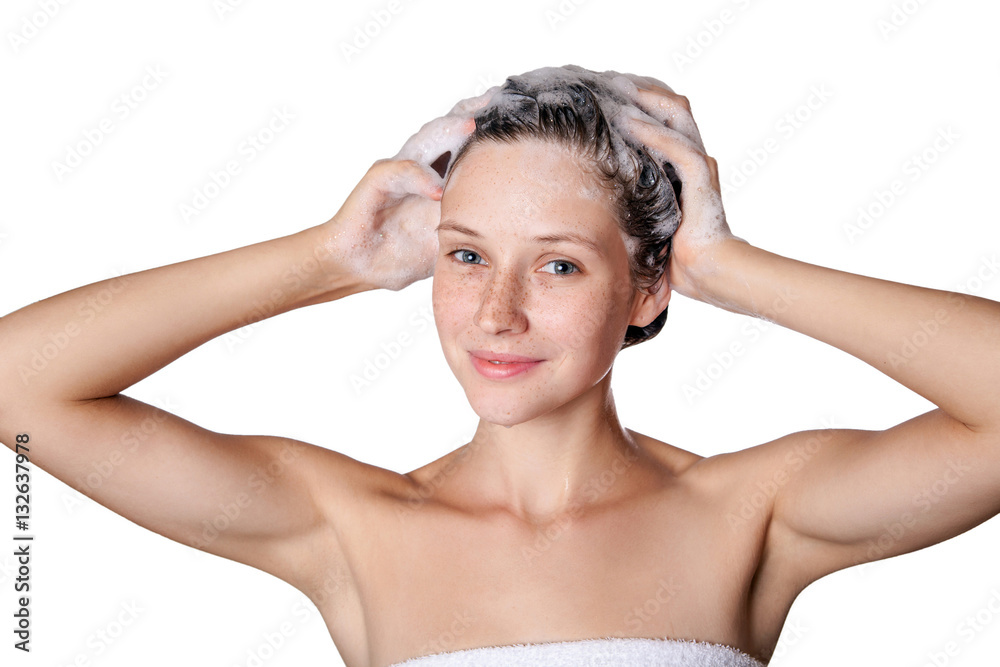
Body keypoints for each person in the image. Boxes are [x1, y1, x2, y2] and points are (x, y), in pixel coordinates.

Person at [1, 65, 998, 667]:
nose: (496, 313)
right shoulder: (350, 526)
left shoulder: (749, 513)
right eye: (467, 255)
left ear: (646, 288)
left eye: (558, 265)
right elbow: (19, 383)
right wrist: (328, 259)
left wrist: (730, 268)